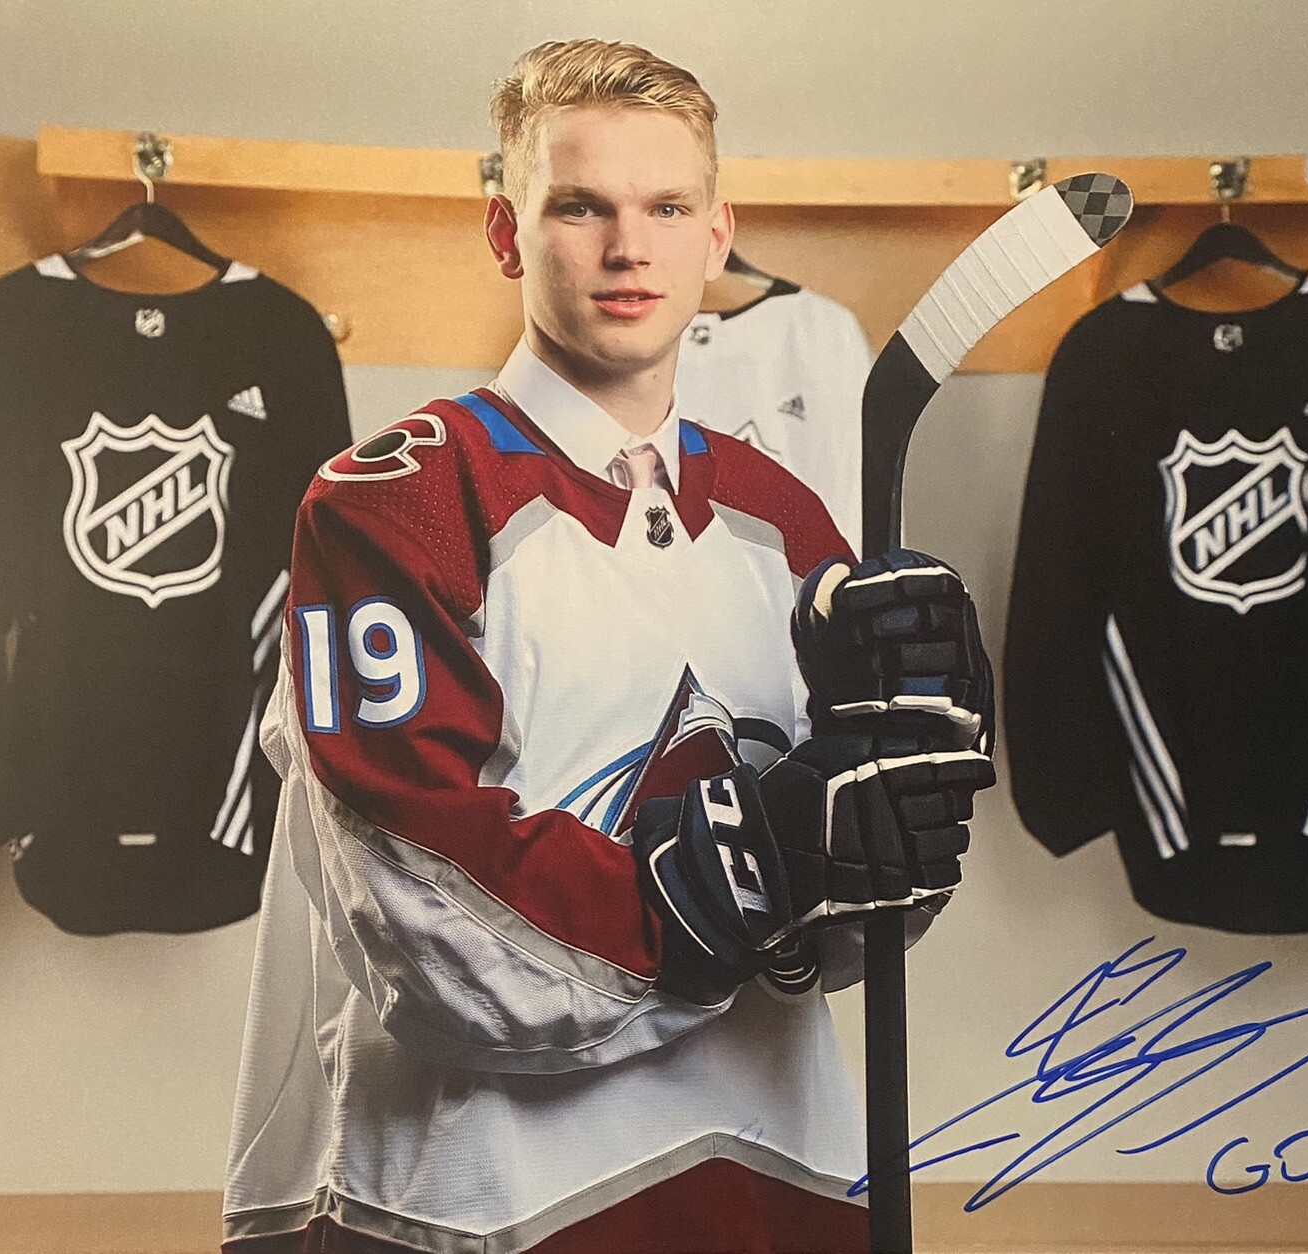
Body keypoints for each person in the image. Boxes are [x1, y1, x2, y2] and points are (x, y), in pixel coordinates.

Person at [222, 38, 994, 1254]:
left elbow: (843, 930)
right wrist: (761, 860)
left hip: (772, 1168)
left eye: (665, 207)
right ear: (503, 231)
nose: (627, 248)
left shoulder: (785, 519)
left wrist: (909, 789)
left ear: (716, 231)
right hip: (481, 1196)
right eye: (578, 206)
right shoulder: (393, 504)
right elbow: (431, 925)